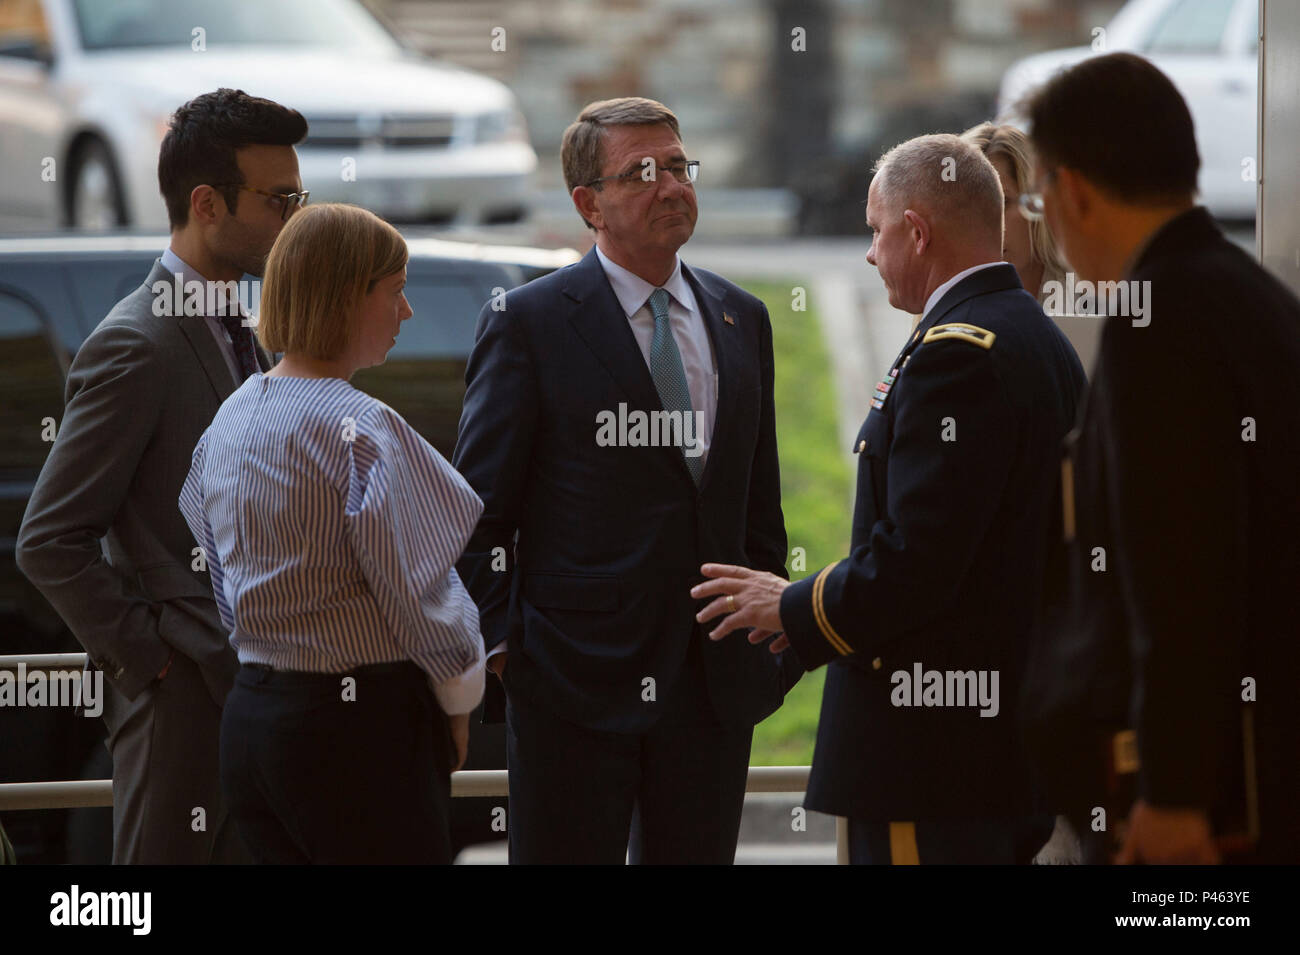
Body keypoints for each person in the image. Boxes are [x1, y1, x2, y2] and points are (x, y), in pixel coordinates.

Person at [694, 134, 1086, 864]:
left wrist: (792, 605)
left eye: (876, 232)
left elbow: (918, 562)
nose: (871, 255)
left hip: (932, 759)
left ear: (917, 231)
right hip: (992, 748)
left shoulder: (957, 354)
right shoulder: (1028, 333)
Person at [452, 96, 796, 864]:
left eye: (678, 166)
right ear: (589, 205)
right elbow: (479, 512)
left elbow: (755, 502)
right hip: (572, 684)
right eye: (642, 173)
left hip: (712, 682)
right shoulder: (530, 322)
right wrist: (507, 652)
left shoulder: (742, 316)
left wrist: (767, 637)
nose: (671, 186)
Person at [1020, 52, 1300, 864]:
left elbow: (1182, 568)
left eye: (1039, 197)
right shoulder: (1245, 292)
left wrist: (1174, 793)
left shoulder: (1161, 319)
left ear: (1073, 190)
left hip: (1214, 807)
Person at [16, 88, 305, 864]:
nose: (293, 218)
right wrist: (155, 665)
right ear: (207, 204)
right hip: (183, 703)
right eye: (278, 200)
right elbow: (49, 541)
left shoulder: (240, 324)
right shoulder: (138, 343)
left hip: (254, 691)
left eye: (298, 198)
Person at [179, 203, 484, 864]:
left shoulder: (232, 414)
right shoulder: (362, 428)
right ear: (347, 297)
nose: (407, 312)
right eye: (395, 291)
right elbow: (418, 589)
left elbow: (213, 557)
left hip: (253, 718)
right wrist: (459, 694)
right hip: (358, 729)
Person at [961, 122, 1067, 302]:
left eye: (1001, 203)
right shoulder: (939, 307)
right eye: (966, 210)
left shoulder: (1100, 298)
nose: (981, 227)